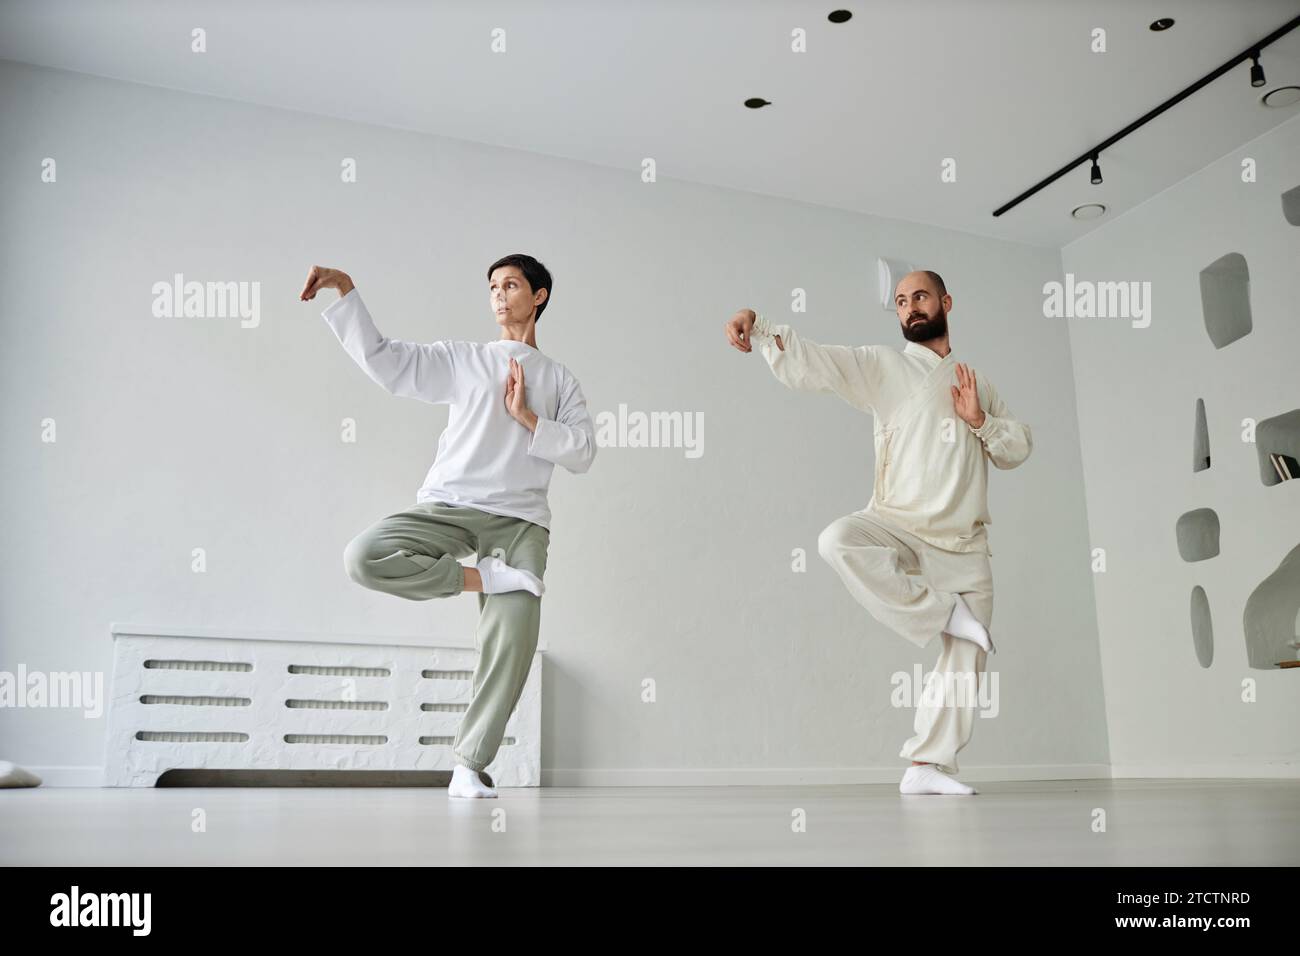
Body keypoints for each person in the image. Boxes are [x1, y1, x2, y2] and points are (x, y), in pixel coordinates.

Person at [724, 270, 1031, 795]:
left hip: (964, 543)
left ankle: (925, 768)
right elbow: (820, 362)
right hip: (896, 524)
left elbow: (1017, 449)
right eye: (901, 300)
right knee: (836, 540)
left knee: (965, 661)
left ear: (946, 302)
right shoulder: (884, 365)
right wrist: (762, 326)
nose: (910, 307)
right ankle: (944, 613)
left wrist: (979, 420)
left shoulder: (975, 383)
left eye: (920, 297)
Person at [301, 254, 596, 798]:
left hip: (520, 524)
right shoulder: (465, 359)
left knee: (512, 640)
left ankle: (468, 767)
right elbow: (387, 363)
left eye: (511, 285)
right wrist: (345, 293)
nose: (500, 295)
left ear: (540, 296)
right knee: (363, 556)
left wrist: (528, 417)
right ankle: (485, 578)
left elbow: (582, 453)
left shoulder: (559, 379)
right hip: (449, 506)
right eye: (492, 287)